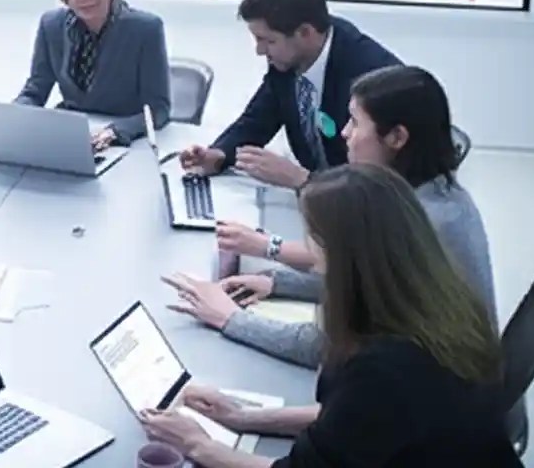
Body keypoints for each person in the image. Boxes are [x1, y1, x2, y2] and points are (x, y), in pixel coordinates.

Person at [141, 164, 521, 467]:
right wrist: (242, 417)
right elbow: (347, 419)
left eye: (314, 241)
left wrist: (199, 445)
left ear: (345, 257)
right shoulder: (433, 299)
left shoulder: (385, 366)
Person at [164, 65, 497, 368]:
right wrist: (276, 282)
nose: (344, 134)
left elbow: (327, 348)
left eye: (355, 122)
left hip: (430, 403)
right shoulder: (428, 194)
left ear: (397, 137)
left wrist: (229, 318)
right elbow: (367, 286)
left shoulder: (418, 223)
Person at [180, 0, 400, 188]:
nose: (259, 50)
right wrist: (219, 155)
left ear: (305, 33)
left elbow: (377, 186)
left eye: (268, 41)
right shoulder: (288, 59)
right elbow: (259, 118)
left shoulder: (373, 79)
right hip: (315, 204)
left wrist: (302, 180)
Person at [14, 0, 171, 148]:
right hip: (72, 138)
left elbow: (158, 109)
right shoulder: (51, 26)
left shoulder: (146, 29)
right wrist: (14, 117)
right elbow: (35, 91)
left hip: (124, 142)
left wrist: (115, 132)